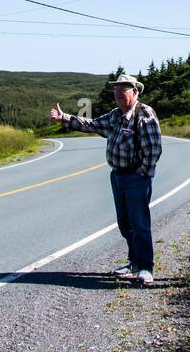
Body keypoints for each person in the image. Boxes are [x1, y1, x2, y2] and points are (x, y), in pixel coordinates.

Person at [50, 73, 163, 285]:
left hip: (136, 176)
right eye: (116, 89)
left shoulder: (144, 113)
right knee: (125, 224)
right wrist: (65, 118)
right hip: (118, 176)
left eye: (124, 88)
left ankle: (146, 267)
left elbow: (154, 149)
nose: (119, 92)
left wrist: (142, 174)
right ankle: (133, 263)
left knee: (139, 224)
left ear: (135, 91)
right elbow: (92, 124)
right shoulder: (115, 115)